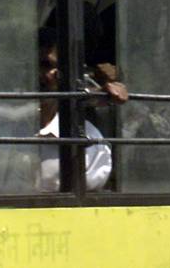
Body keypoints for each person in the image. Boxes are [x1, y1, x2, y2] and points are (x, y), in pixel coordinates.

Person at [37, 28, 125, 192]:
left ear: (63, 75)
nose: (37, 74)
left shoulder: (91, 144)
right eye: (30, 65)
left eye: (45, 65)